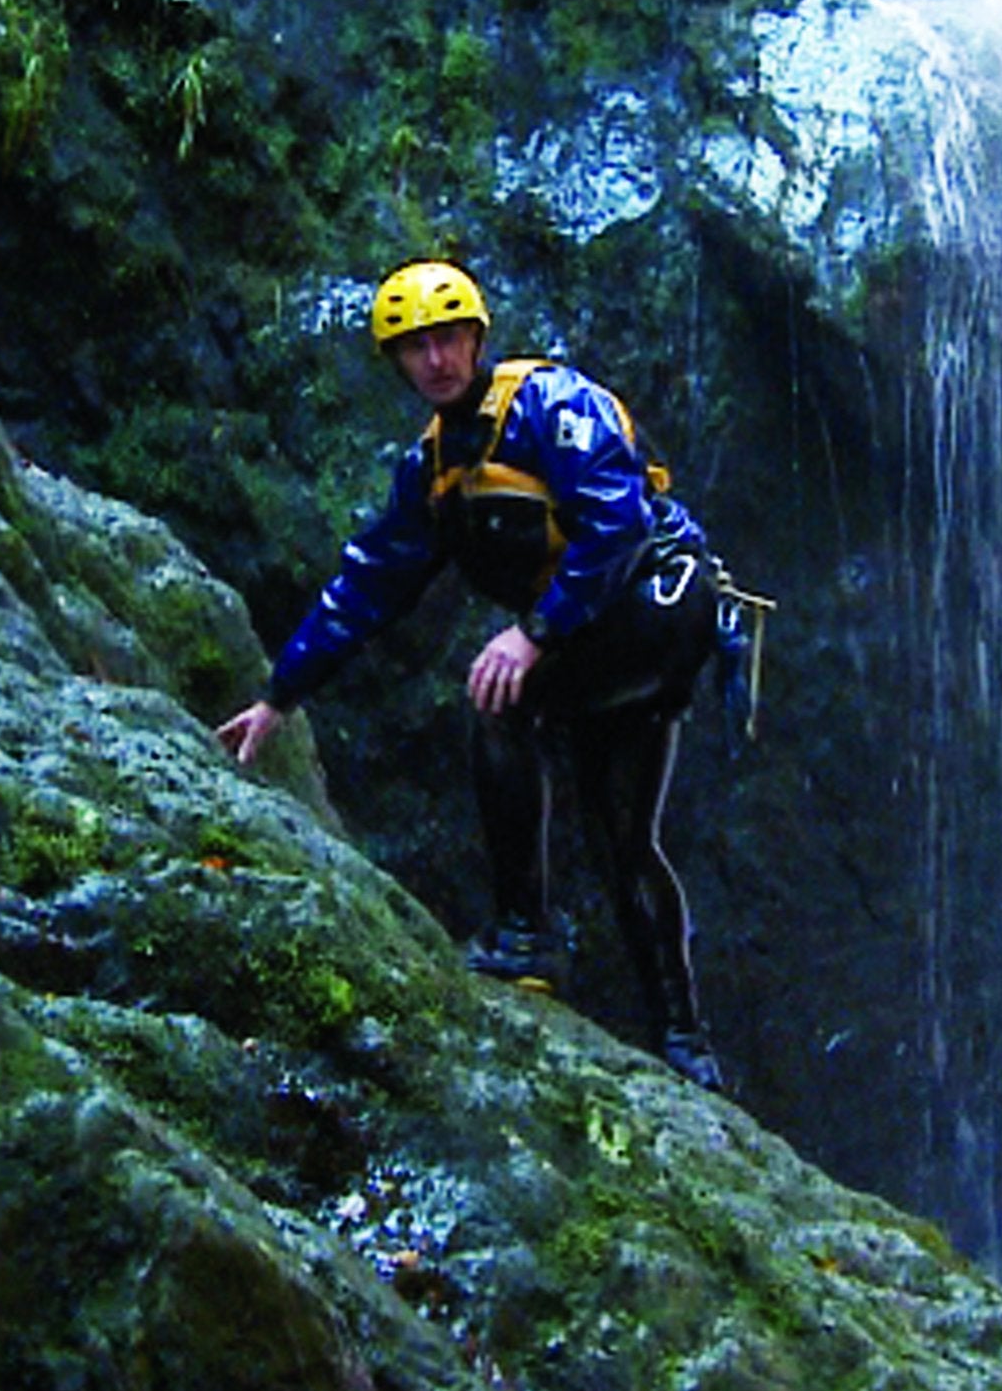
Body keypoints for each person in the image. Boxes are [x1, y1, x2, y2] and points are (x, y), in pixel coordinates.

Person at [214, 260, 732, 1093]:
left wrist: (533, 633)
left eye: (447, 337)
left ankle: (526, 938)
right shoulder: (432, 470)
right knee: (620, 838)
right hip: (594, 639)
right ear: (396, 362)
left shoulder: (550, 405)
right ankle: (685, 1044)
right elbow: (367, 584)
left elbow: (616, 523)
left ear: (476, 338)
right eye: (414, 346)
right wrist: (280, 694)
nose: (435, 359)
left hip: (655, 607)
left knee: (503, 698)